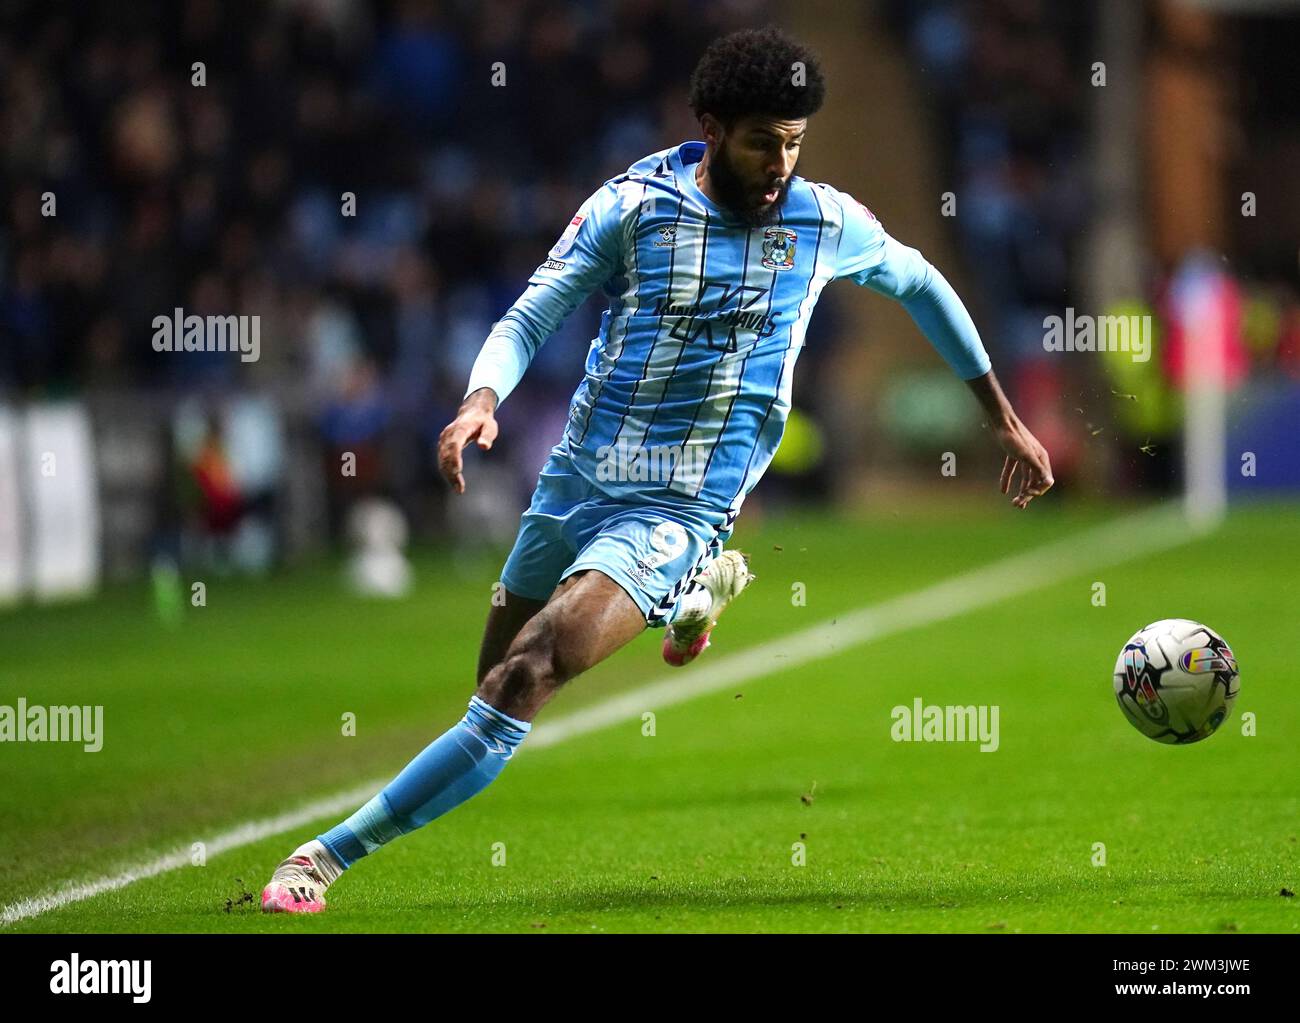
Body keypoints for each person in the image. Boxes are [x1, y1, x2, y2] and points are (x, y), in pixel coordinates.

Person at [261, 26, 1052, 913]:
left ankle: (322, 858)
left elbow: (922, 284)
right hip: (576, 481)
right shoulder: (634, 207)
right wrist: (480, 401)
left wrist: (1005, 420)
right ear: (711, 127)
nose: (781, 163)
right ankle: (687, 607)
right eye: (763, 141)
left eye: (795, 142)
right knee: (488, 689)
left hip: (679, 502)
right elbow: (531, 316)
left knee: (527, 672)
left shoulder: (824, 222)